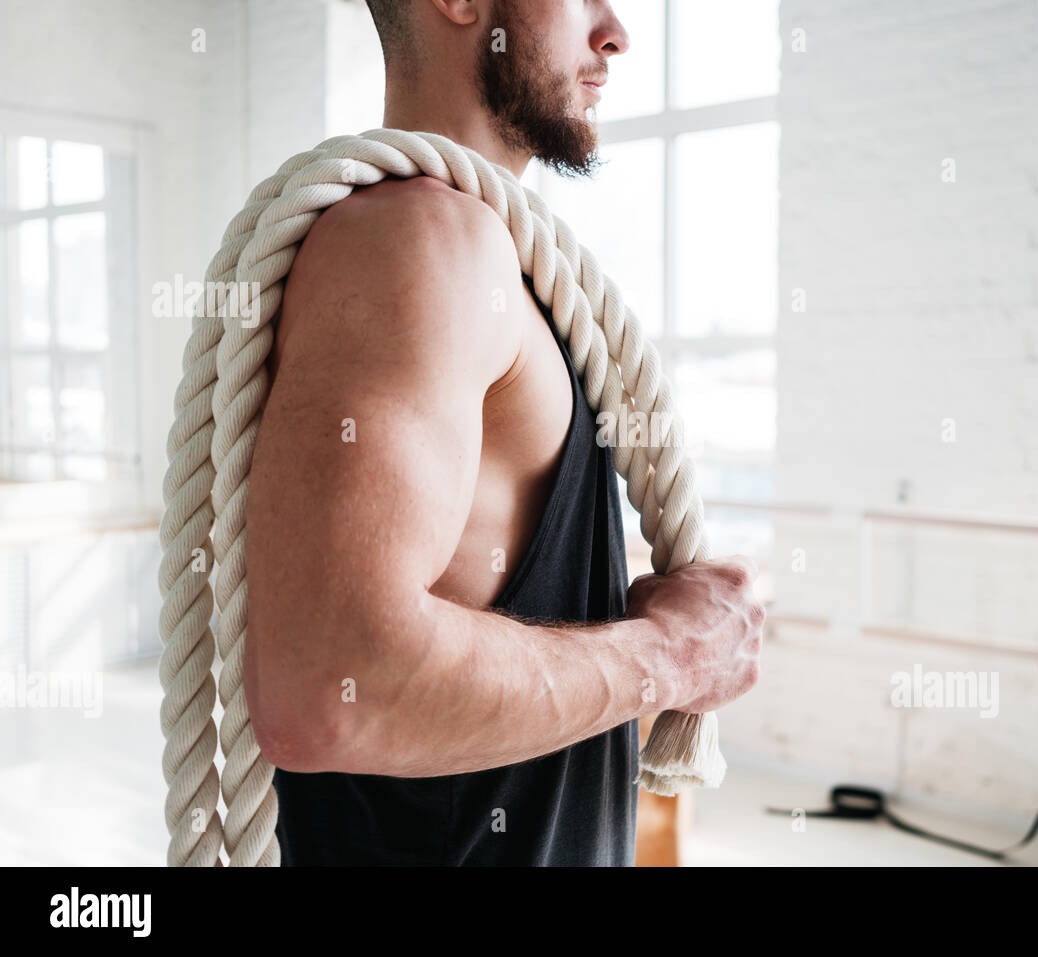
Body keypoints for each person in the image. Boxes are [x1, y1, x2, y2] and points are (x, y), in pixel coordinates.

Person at [243, 0, 764, 866]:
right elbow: (329, 692)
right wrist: (671, 653)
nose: (616, 32)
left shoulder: (504, 261)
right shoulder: (421, 241)